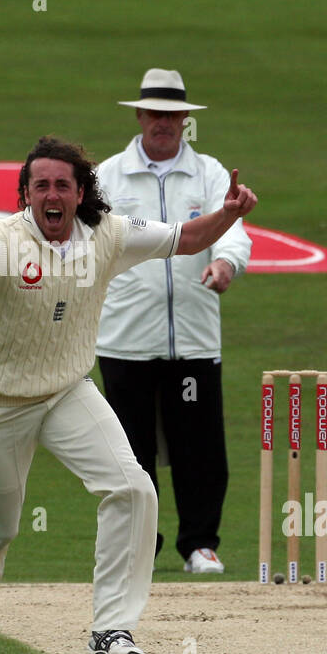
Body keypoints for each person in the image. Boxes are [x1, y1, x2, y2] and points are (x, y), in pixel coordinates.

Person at [0, 136, 256, 654]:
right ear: (26, 194)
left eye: (63, 185)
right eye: (41, 185)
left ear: (80, 193)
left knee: (132, 487)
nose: (52, 195)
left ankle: (110, 630)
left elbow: (187, 239)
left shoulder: (109, 233)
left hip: (65, 391)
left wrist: (227, 214)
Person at [96, 68, 252, 574]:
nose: (163, 122)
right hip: (124, 339)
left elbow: (232, 229)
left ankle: (200, 545)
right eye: (154, 113)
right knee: (130, 452)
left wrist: (226, 263)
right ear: (140, 115)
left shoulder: (207, 172)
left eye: (172, 114)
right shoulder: (108, 177)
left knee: (199, 447)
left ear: (186, 119)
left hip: (193, 339)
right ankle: (142, 547)